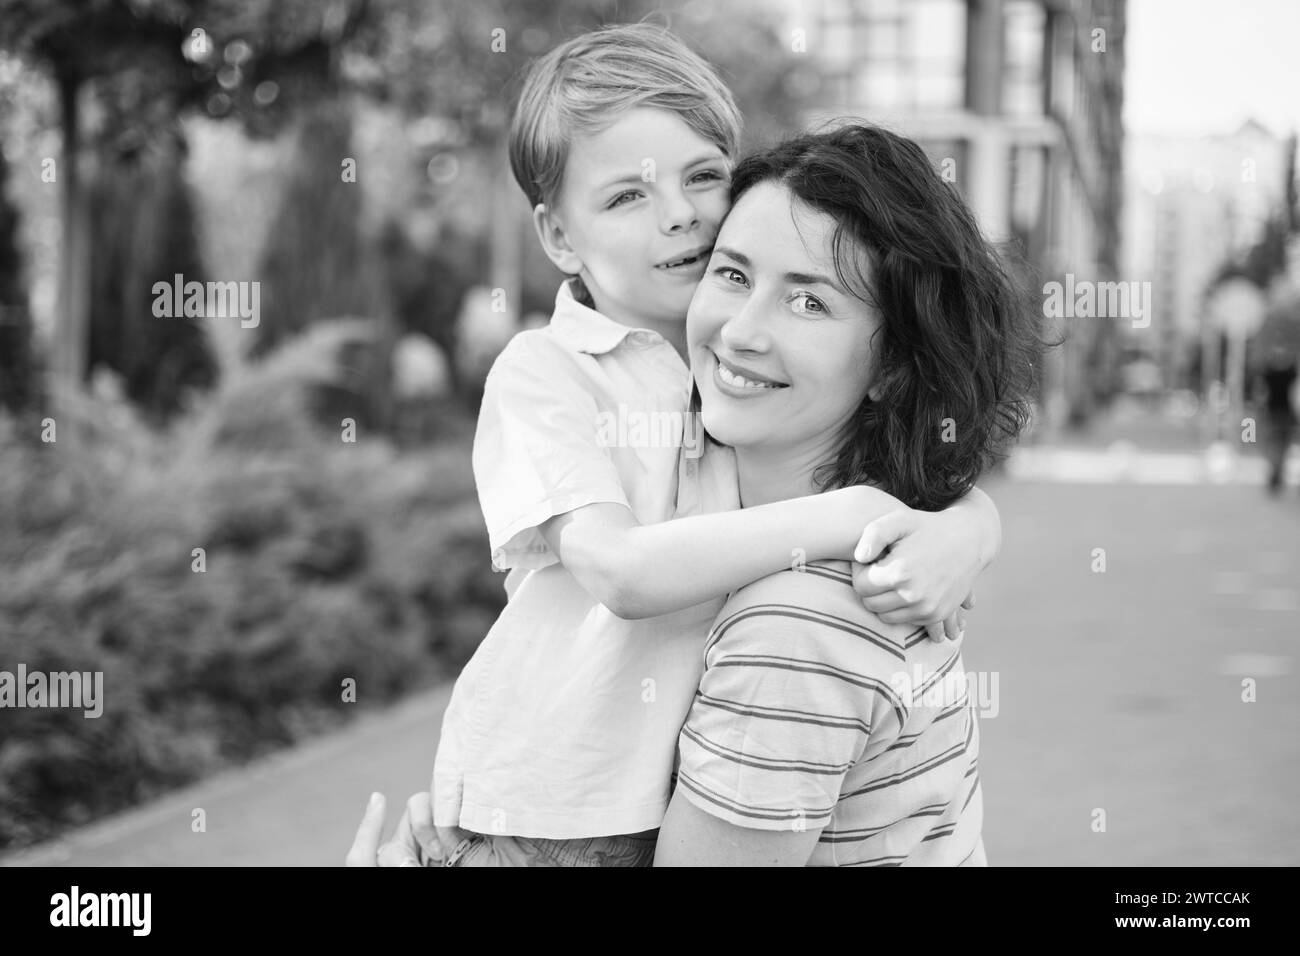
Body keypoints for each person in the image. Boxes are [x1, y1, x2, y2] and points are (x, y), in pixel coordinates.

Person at [349, 25, 1001, 868]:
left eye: (703, 178)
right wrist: (861, 516)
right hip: (557, 811)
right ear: (556, 238)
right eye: (626, 198)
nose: (680, 215)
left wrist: (967, 528)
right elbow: (621, 571)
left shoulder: (718, 378)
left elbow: (915, 486)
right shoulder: (547, 375)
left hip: (660, 787)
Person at [654, 125, 1037, 865]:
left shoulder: (795, 629)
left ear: (893, 364)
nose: (740, 332)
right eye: (732, 275)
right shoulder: (895, 543)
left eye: (808, 305)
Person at [1257, 345, 1297, 495]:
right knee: (1282, 447)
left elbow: (1261, 390)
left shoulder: (1270, 374)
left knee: (1275, 446)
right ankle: (1277, 475)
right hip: (1285, 414)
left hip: (1274, 414)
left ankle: (1275, 476)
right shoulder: (1288, 375)